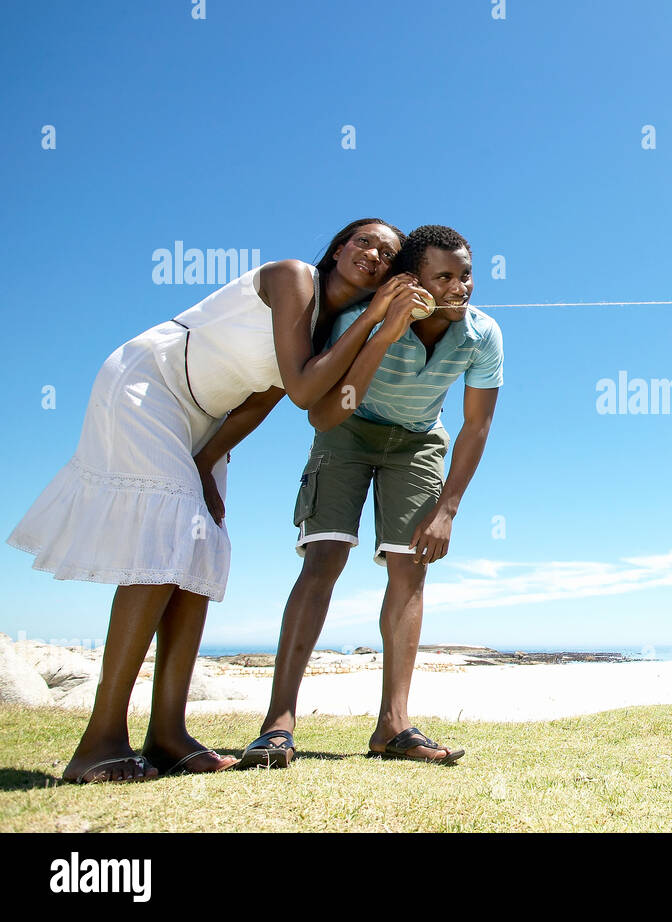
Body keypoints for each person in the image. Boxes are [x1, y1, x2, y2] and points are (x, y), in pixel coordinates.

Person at [7, 218, 429, 783]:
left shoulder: (334, 332)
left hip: (206, 420)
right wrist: (379, 319)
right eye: (365, 242)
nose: (375, 255)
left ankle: (167, 736)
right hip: (149, 385)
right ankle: (98, 742)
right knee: (161, 547)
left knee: (200, 556)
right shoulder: (292, 277)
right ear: (336, 249)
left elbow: (268, 400)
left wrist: (205, 463)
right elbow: (307, 387)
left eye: (389, 254)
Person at [238, 224, 503, 768]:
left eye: (467, 275)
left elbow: (475, 426)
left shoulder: (483, 335)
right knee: (325, 558)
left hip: (417, 442)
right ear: (412, 281)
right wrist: (385, 327)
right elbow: (325, 412)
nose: (461, 288)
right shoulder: (361, 322)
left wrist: (448, 508)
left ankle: (393, 726)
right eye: (445, 277)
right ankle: (277, 725)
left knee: (410, 568)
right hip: (349, 431)